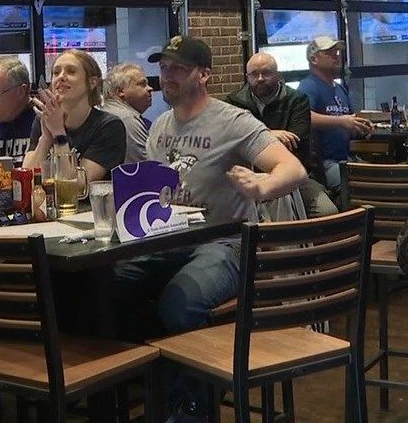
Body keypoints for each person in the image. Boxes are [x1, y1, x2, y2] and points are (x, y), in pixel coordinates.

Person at [112, 35, 307, 418]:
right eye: (164, 68)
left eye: (178, 69)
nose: (167, 77)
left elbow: (293, 169)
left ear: (204, 75)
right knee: (111, 287)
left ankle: (192, 409)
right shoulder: (159, 127)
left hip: (227, 240)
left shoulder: (233, 120)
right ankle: (159, 391)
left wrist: (261, 185)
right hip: (169, 238)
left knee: (180, 303)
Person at [225, 52, 337, 217]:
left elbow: (297, 141)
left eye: (266, 73)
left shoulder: (297, 100)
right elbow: (231, 141)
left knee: (327, 212)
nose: (260, 78)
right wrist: (270, 133)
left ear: (277, 75)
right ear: (247, 77)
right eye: (255, 74)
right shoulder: (234, 102)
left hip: (293, 176)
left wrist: (254, 140)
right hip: (249, 176)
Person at [23, 50, 126, 182]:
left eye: (71, 71)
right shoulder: (44, 119)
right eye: (56, 72)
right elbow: (27, 181)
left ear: (92, 82)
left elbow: (77, 187)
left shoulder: (109, 125)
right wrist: (46, 138)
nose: (61, 77)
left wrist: (59, 133)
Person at [297, 36, 373, 208]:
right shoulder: (308, 86)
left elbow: (349, 120)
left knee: (382, 178)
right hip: (323, 164)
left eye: (336, 52)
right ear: (314, 59)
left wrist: (362, 127)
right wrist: (340, 122)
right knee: (364, 184)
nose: (336, 56)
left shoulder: (339, 89)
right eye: (330, 53)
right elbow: (304, 116)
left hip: (345, 158)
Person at [99, 63, 152, 163]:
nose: (150, 88)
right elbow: (145, 168)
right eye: (142, 84)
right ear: (120, 91)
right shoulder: (126, 119)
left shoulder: (108, 112)